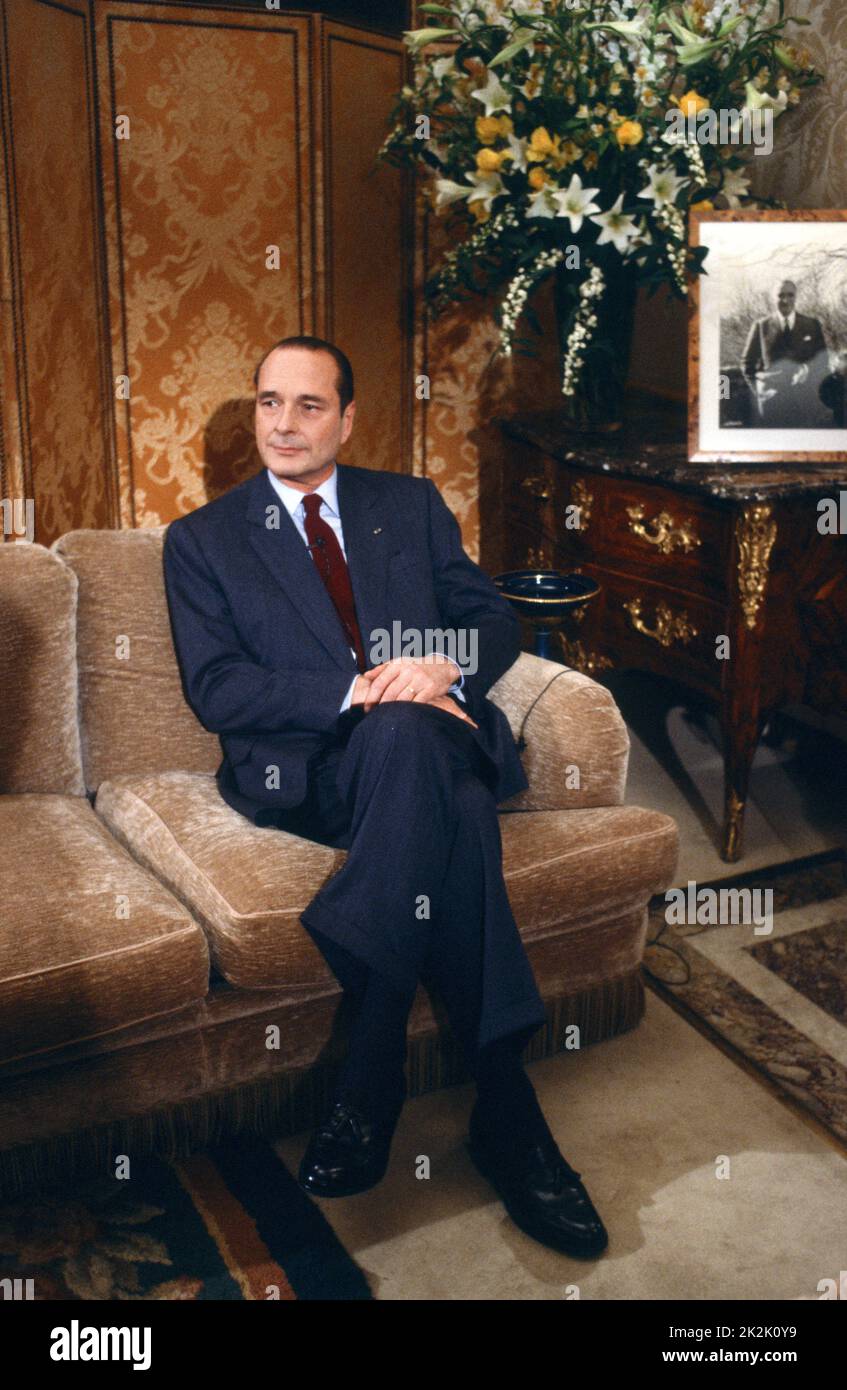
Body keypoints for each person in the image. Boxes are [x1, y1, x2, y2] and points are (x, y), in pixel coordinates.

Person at [162, 335, 608, 1259]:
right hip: (312, 767)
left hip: (423, 737)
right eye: (268, 402)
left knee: (416, 741)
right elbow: (218, 688)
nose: (283, 424)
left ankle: (370, 1078)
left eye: (308, 405)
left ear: (348, 417)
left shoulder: (404, 505)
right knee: (447, 797)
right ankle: (509, 1119)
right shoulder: (202, 541)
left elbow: (491, 615)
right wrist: (356, 690)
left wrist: (444, 662)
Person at [741, 279, 829, 428]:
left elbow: (823, 361)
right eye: (780, 295)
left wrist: (808, 372)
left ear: (796, 297)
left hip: (805, 403)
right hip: (772, 404)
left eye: (790, 295)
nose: (786, 300)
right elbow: (746, 363)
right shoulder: (761, 326)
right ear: (773, 298)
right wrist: (759, 392)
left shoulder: (812, 325)